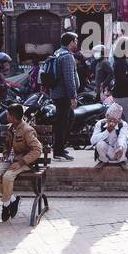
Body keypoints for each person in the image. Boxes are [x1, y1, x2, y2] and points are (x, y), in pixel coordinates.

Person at [0, 103, 43, 220]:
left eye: (8, 115)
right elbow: (6, 145)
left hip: (23, 162)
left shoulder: (27, 130)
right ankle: (13, 200)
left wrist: (21, 162)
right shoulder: (11, 128)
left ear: (13, 117)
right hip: (9, 161)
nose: (6, 117)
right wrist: (5, 155)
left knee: (7, 177)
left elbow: (37, 149)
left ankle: (5, 205)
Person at [48, 32, 81, 161]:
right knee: (62, 122)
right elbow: (69, 78)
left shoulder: (58, 52)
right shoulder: (67, 56)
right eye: (76, 40)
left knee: (68, 118)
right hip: (63, 95)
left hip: (57, 93)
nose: (77, 43)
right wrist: (73, 97)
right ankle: (58, 151)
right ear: (71, 42)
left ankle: (60, 146)